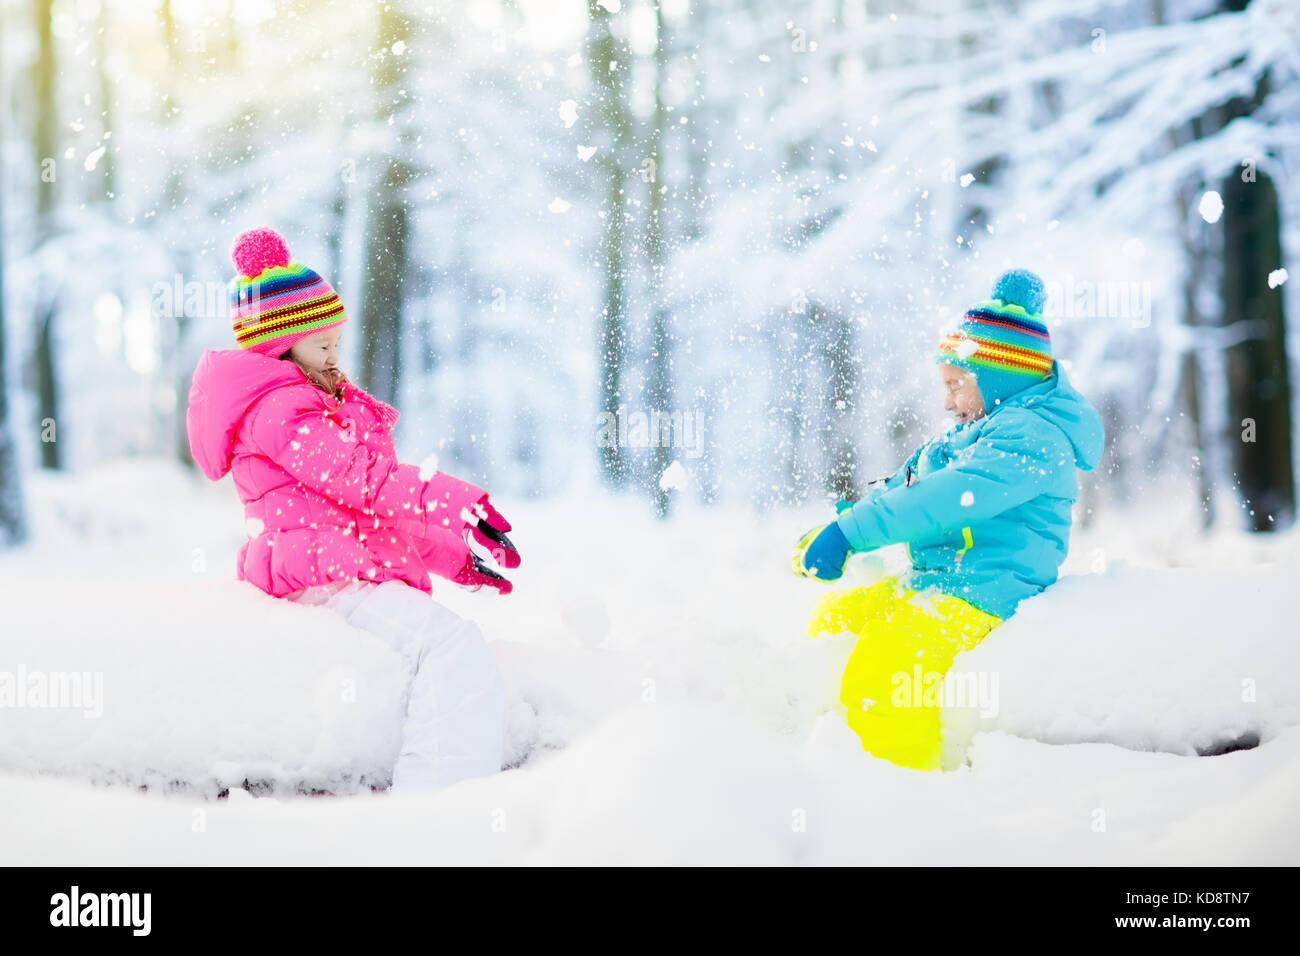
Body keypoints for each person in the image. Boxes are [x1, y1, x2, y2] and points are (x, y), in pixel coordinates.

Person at [186, 226, 519, 792]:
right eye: (323, 346)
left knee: (449, 646)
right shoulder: (283, 412)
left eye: (337, 344)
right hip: (321, 578)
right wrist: (458, 502)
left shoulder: (310, 403)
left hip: (338, 565)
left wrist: (453, 555)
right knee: (450, 647)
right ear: (280, 345)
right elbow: (365, 480)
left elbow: (371, 515)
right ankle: (434, 814)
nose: (335, 358)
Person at [792, 268, 1104, 771]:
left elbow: (944, 499)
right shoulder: (973, 433)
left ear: (1000, 378)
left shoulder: (1030, 439)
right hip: (941, 583)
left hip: (992, 590)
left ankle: (902, 791)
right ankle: (822, 755)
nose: (947, 400)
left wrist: (854, 534)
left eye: (958, 383)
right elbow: (909, 484)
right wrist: (842, 521)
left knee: (888, 665)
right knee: (835, 621)